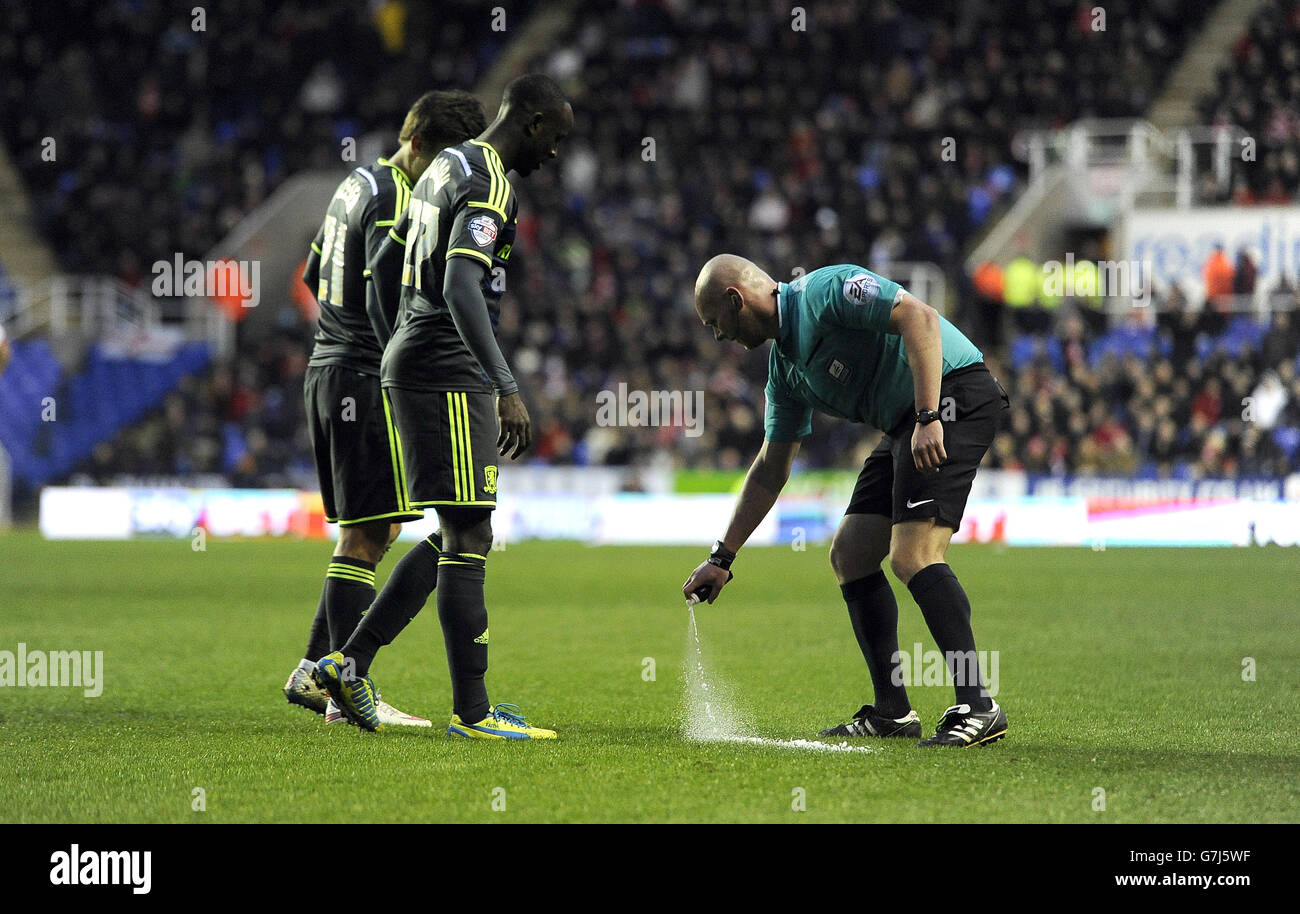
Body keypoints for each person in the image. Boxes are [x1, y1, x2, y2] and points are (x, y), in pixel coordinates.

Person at [315, 74, 573, 738]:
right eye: (557, 138)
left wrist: (394, 341)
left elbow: (379, 266)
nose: (556, 154)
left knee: (459, 529)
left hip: (416, 361)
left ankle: (350, 661)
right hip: (449, 370)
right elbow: (462, 285)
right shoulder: (490, 180)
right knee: (468, 534)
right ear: (535, 123)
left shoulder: (439, 170)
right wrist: (506, 385)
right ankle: (473, 713)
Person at [682, 255, 1011, 747]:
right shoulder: (785, 371)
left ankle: (979, 705)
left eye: (715, 324)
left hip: (951, 397)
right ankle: (892, 712)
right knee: (851, 555)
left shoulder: (827, 292)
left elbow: (919, 317)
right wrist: (722, 557)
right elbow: (771, 468)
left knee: (913, 555)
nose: (718, 337)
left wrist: (927, 416)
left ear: (736, 300)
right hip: (906, 422)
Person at [283, 90, 487, 728]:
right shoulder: (398, 196)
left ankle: (318, 668)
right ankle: (344, 686)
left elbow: (315, 274)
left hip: (328, 366)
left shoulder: (354, 182)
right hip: (364, 375)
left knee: (377, 528)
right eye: (443, 161)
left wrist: (338, 336)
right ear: (422, 143)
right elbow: (378, 278)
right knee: (374, 533)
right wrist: (394, 349)